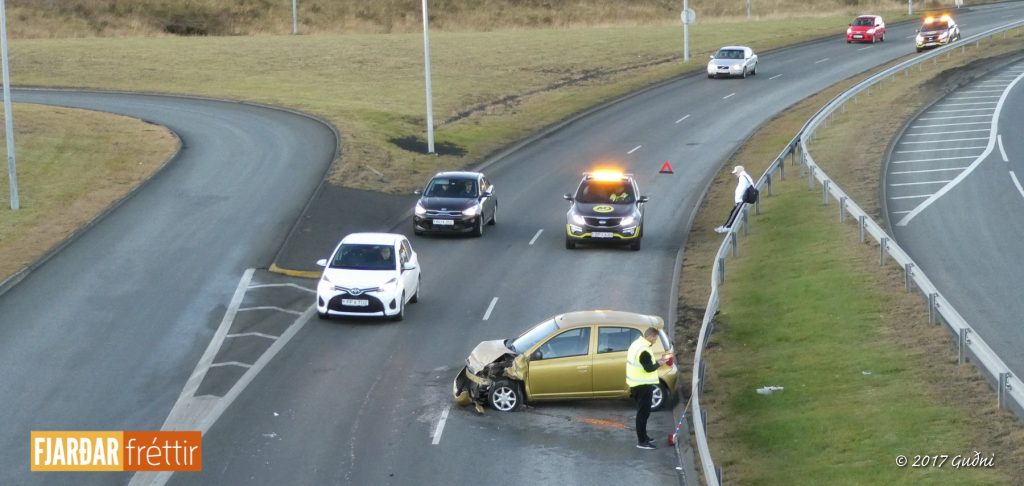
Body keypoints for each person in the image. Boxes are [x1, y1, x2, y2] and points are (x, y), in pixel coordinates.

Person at [626, 327, 668, 450]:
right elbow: (649, 368)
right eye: (655, 338)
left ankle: (644, 436)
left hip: (637, 384)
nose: (655, 341)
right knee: (643, 414)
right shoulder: (644, 350)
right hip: (642, 386)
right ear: (650, 336)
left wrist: (656, 361)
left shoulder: (637, 344)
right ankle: (642, 442)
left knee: (644, 413)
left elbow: (644, 363)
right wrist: (660, 363)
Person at [715, 165, 755, 233]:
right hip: (743, 199)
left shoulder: (742, 178)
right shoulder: (744, 176)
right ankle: (725, 226)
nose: (735, 174)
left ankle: (728, 227)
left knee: (734, 213)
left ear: (739, 172)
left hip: (742, 200)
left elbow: (741, 189)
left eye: (736, 173)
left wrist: (738, 200)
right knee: (733, 212)